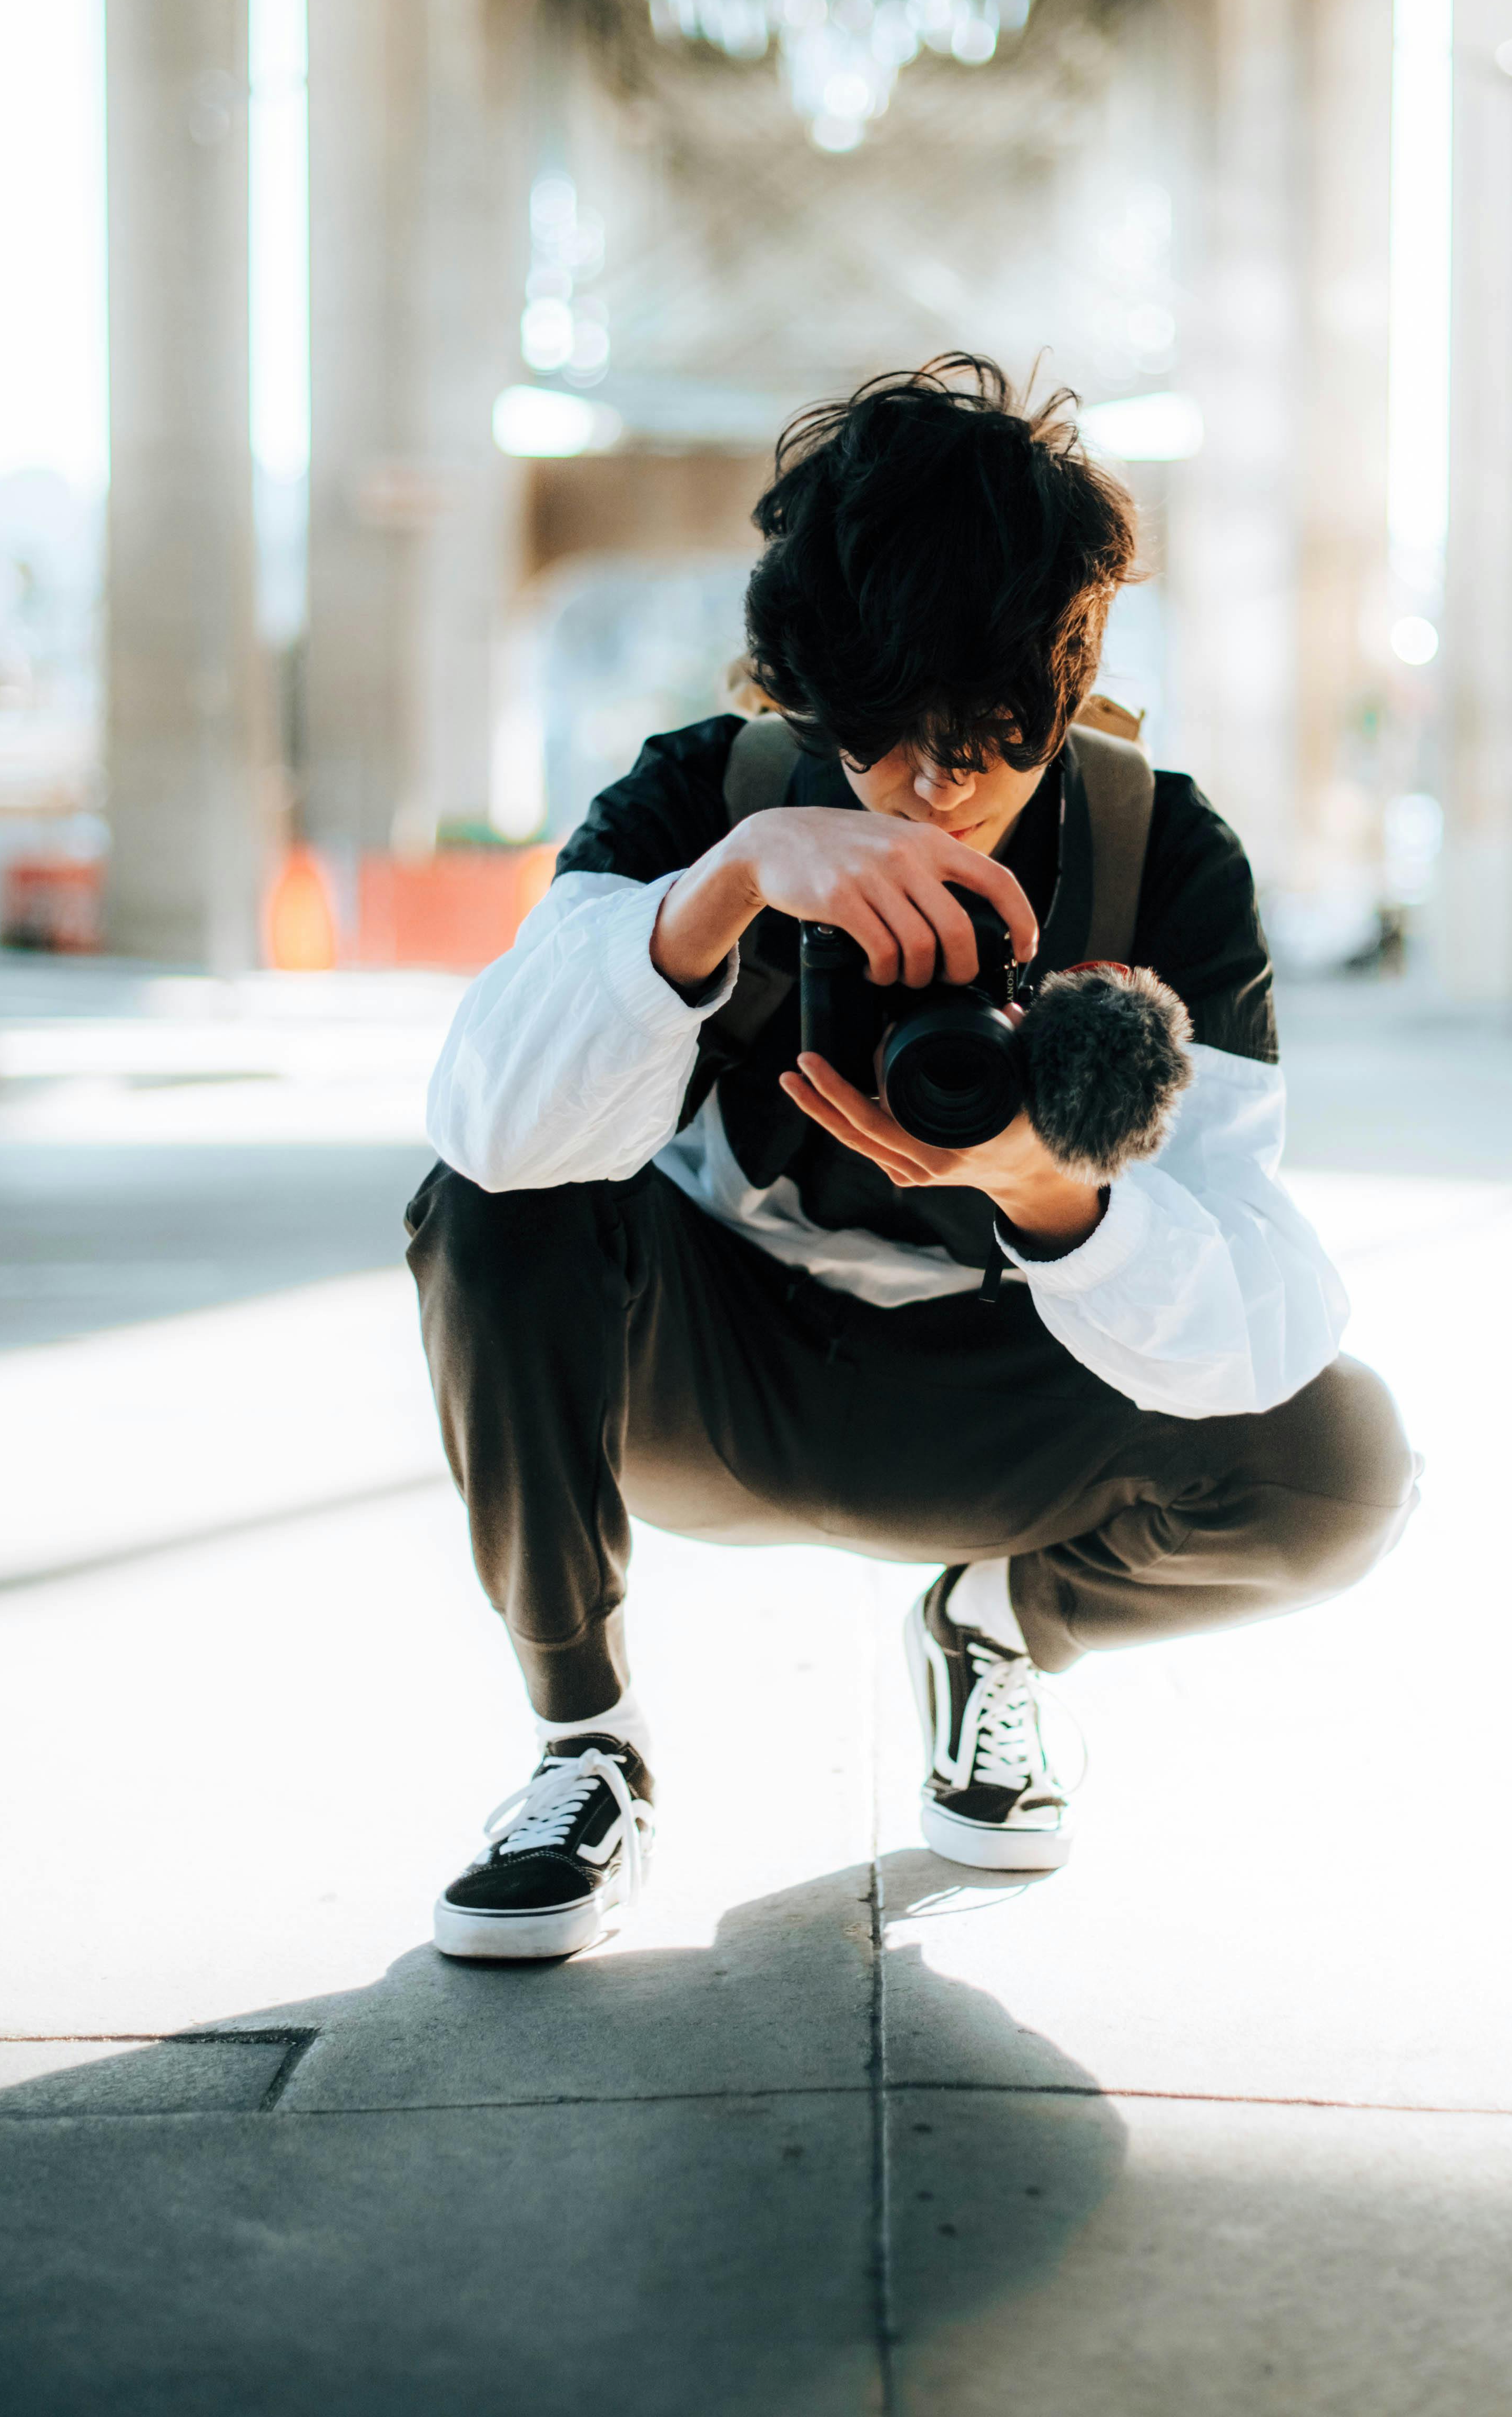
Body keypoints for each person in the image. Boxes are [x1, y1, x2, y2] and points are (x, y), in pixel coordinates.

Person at [409, 356, 1415, 1962]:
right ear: (810, 697)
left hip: (1002, 1401)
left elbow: (1259, 1314)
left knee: (1337, 1458)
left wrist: (1047, 1190)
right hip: (709, 1379)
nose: (929, 789)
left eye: (984, 737)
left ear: (1065, 677)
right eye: (877, 738)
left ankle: (992, 1628)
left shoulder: (1164, 853)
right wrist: (721, 891)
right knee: (486, 1198)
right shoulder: (707, 796)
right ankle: (583, 1740)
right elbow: (487, 1127)